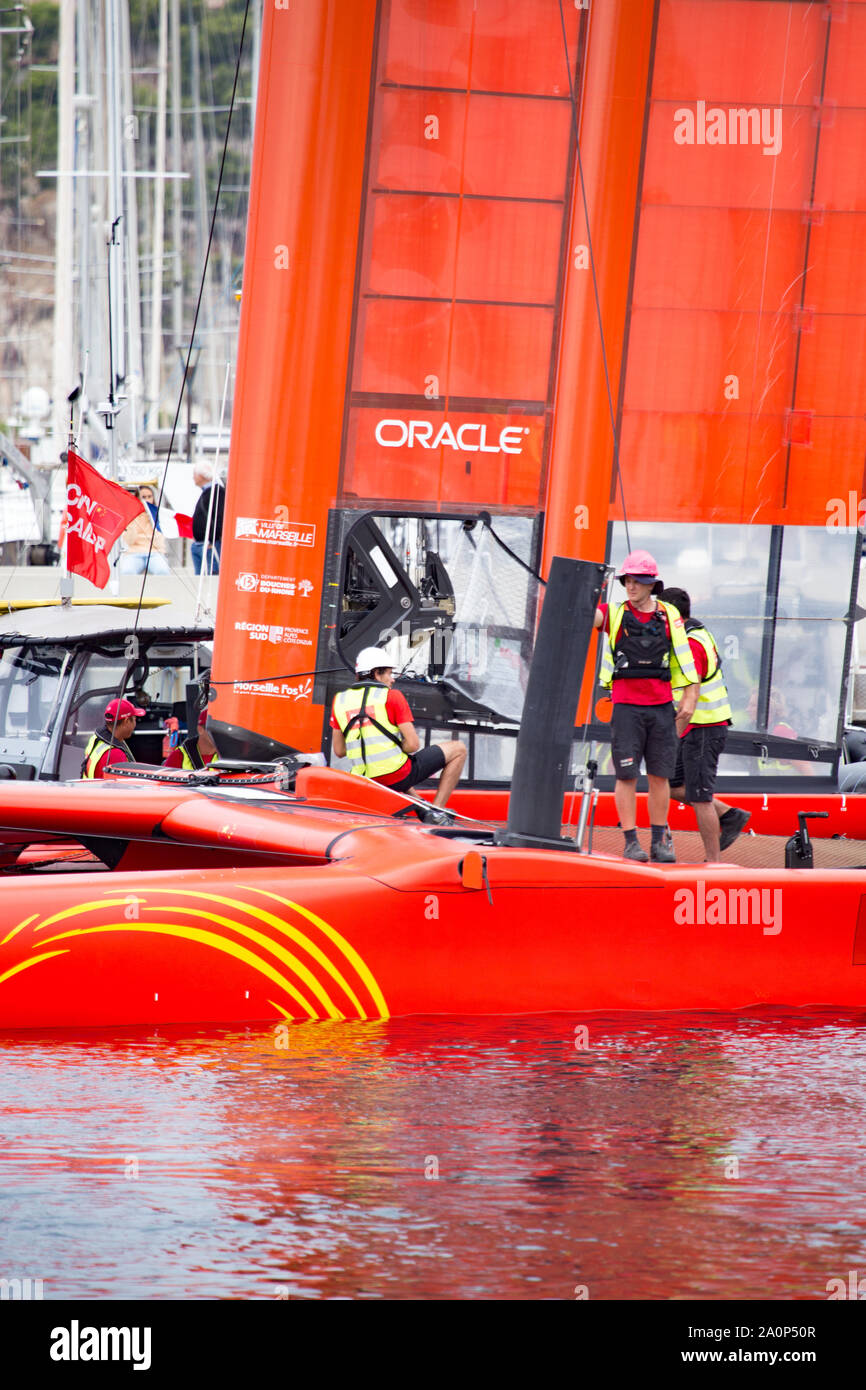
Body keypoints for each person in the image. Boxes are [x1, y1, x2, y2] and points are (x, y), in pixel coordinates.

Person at [593, 550, 700, 863]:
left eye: (638, 581)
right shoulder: (611, 613)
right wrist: (591, 584)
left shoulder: (669, 615)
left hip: (660, 707)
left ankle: (658, 841)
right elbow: (586, 614)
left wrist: (691, 695)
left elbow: (685, 657)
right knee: (625, 776)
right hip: (626, 708)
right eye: (627, 580)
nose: (631, 586)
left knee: (659, 776)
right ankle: (630, 842)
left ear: (651, 584)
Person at [659, 587, 750, 861]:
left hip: (704, 727)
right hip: (691, 726)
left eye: (661, 613)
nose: (657, 618)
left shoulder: (692, 644)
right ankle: (729, 814)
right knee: (671, 784)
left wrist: (669, 736)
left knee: (700, 796)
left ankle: (713, 862)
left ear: (673, 615)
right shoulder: (687, 636)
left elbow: (690, 696)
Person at [330, 646, 466, 820]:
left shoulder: (339, 701)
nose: (392, 680)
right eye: (388, 673)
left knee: (397, 763)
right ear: (377, 673)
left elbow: (339, 751)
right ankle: (437, 811)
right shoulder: (392, 696)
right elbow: (413, 745)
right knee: (459, 749)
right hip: (395, 777)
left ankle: (422, 807)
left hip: (364, 781)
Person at [81, 697, 145, 778]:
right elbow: (123, 788)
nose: (135, 724)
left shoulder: (96, 739)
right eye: (135, 719)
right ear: (127, 721)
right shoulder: (116, 755)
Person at [118, 487, 171, 575]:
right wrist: (134, 519)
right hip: (134, 552)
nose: (147, 500)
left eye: (149, 497)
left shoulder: (158, 515)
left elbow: (159, 542)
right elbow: (129, 541)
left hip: (155, 552)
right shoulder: (131, 515)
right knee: (127, 572)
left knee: (162, 571)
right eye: (143, 497)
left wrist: (152, 519)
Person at [191, 464, 224, 575]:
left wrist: (211, 540)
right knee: (202, 577)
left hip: (210, 544)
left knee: (212, 575)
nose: (193, 477)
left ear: (202, 475)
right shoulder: (208, 492)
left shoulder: (217, 492)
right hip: (202, 543)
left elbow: (220, 519)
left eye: (194, 474)